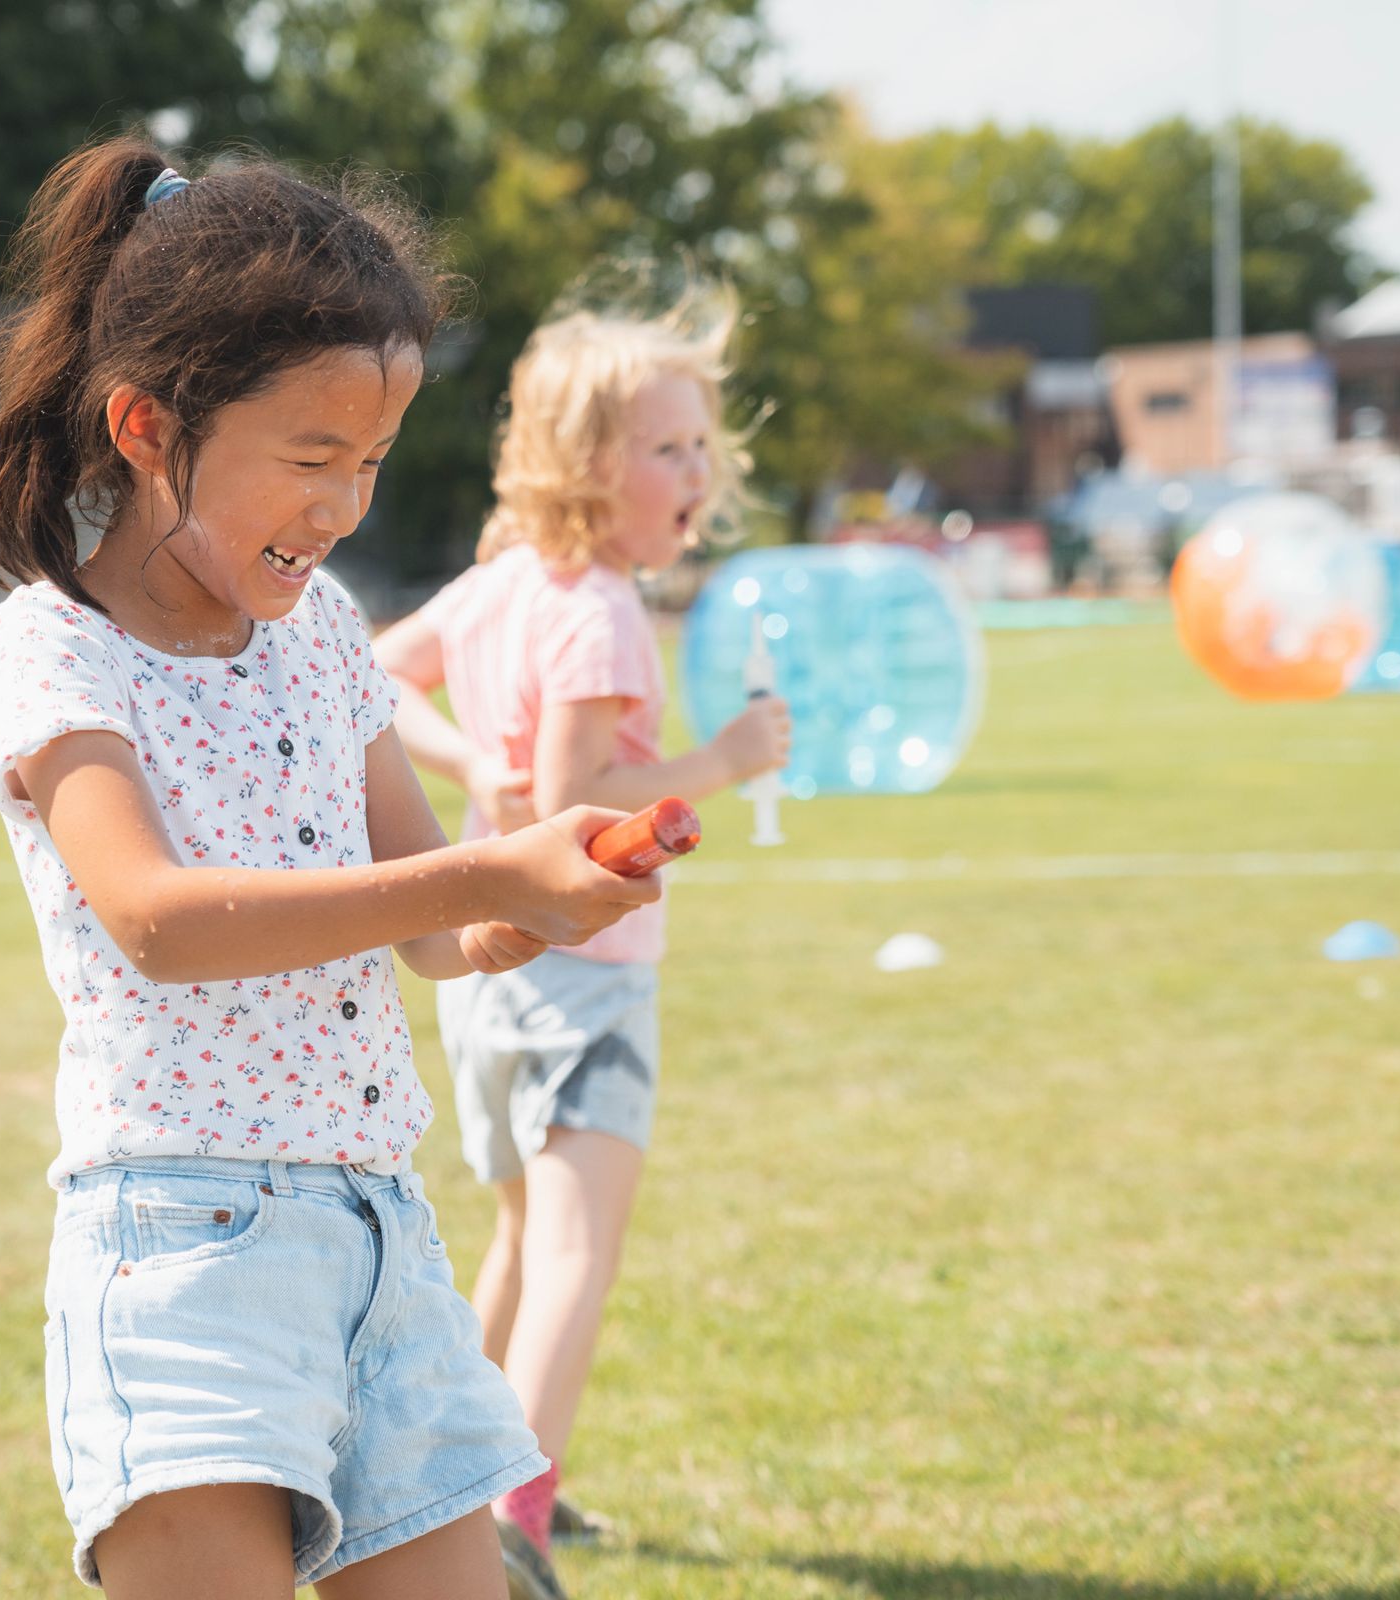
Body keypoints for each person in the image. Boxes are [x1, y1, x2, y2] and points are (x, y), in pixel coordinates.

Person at [0, 137, 663, 1600]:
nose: (344, 508)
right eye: (308, 460)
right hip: (183, 1257)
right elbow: (157, 922)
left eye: (371, 464)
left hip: (382, 1237)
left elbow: (429, 920)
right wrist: (483, 883)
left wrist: (524, 908)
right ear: (147, 426)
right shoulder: (54, 645)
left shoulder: (328, 630)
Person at [374, 299, 791, 1591]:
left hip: (489, 975)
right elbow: (576, 805)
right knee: (574, 1250)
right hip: (579, 974)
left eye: (701, 445)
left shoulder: (501, 583)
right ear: (586, 464)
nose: (699, 471)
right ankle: (515, 1523)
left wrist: (462, 759)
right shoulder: (600, 608)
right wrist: (722, 762)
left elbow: (374, 673)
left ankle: (452, 1493)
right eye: (668, 447)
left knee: (520, 1238)